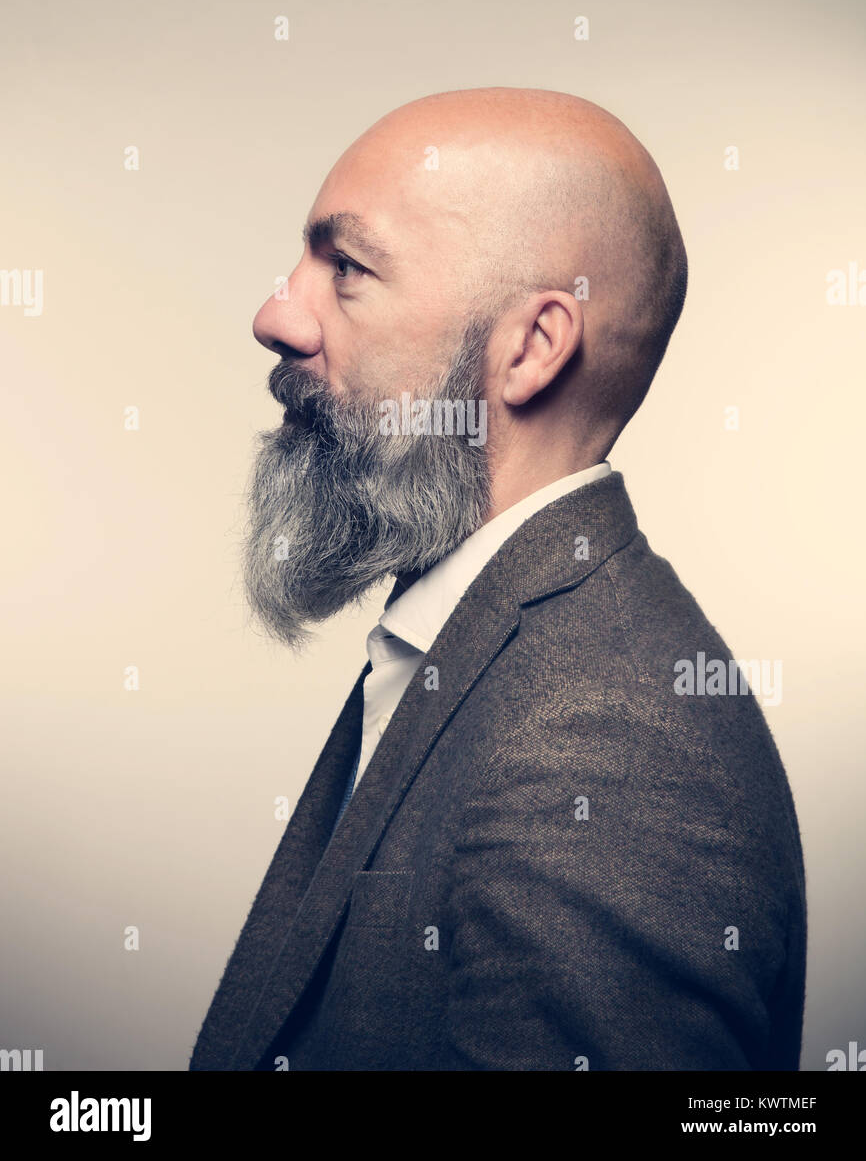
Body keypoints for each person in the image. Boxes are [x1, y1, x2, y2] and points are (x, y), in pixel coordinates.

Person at [189, 87, 806, 1071]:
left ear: (529, 348)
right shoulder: (478, 645)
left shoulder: (604, 746)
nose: (275, 315)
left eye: (346, 268)